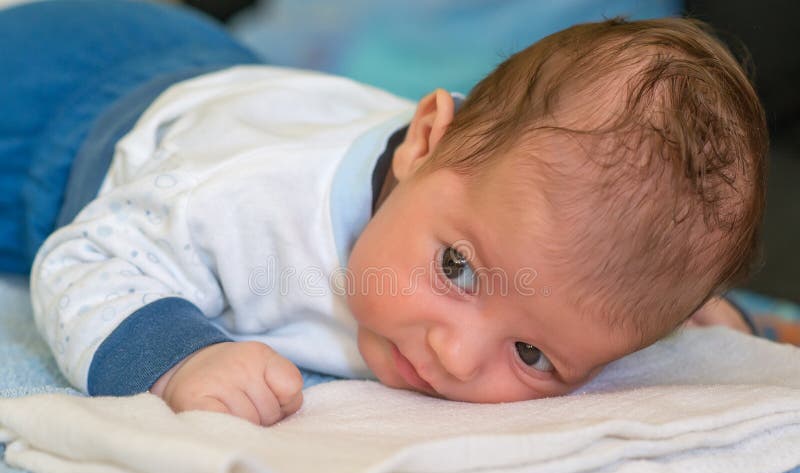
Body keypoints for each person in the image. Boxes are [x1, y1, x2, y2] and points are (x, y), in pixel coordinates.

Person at [1, 1, 766, 426]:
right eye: (457, 270)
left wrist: (696, 321)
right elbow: (86, 259)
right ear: (426, 141)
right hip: (51, 109)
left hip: (231, 80)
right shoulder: (243, 206)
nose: (457, 358)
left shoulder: (506, 212)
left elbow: (599, 293)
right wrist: (177, 359)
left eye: (534, 356)